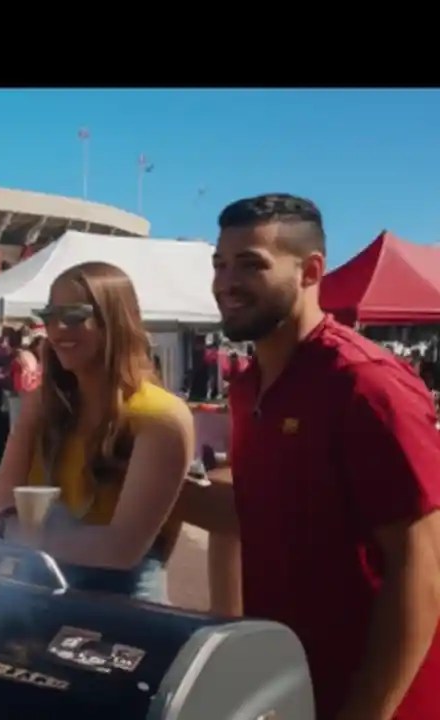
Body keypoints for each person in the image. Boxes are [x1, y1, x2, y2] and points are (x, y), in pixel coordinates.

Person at [208, 193, 440, 720]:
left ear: (311, 271)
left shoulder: (365, 385)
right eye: (220, 264)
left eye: (251, 264)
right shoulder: (248, 387)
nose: (226, 282)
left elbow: (422, 570)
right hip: (284, 688)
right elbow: (259, 514)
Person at [0, 262, 194, 602]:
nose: (57, 330)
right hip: (36, 593)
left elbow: (120, 550)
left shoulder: (161, 417)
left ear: (114, 321)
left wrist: (23, 536)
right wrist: (17, 533)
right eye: (50, 315)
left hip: (123, 608)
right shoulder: (42, 406)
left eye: (73, 316)